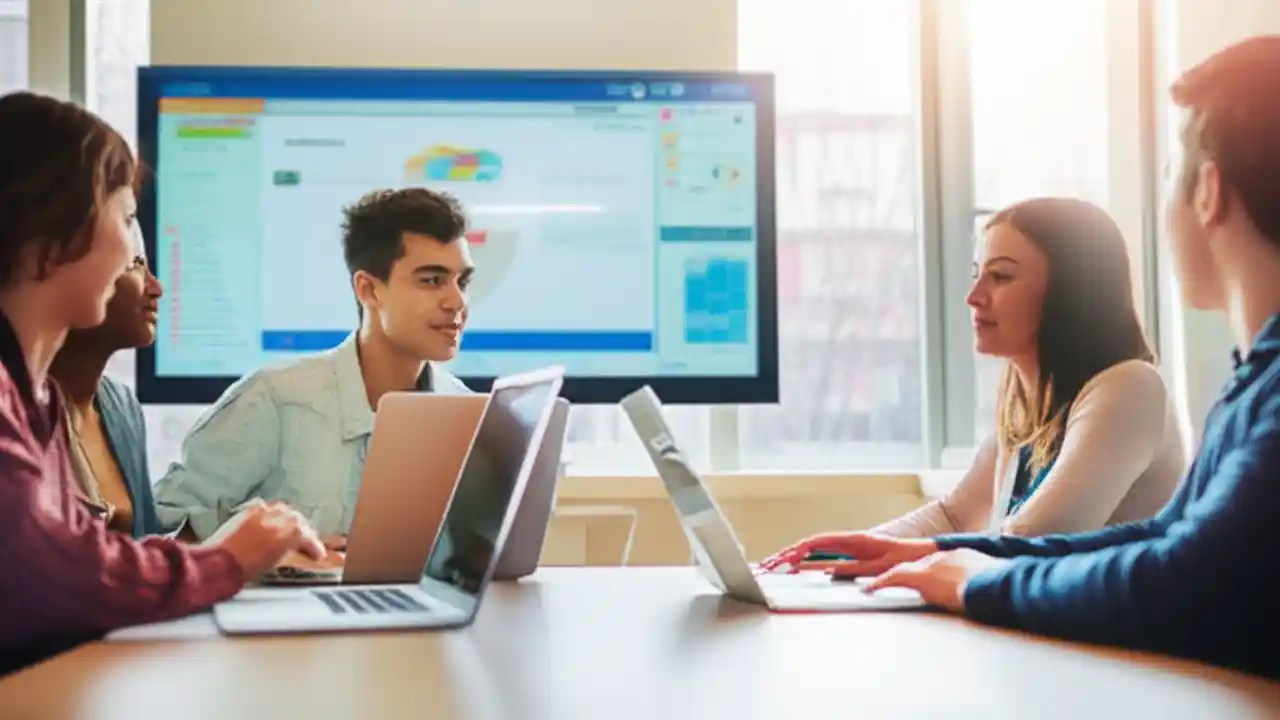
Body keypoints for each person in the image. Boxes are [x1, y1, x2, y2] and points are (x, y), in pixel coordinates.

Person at [762, 35, 1280, 679]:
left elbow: (1186, 577)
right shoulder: (1255, 381)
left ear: (1208, 190)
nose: (975, 296)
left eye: (1001, 277)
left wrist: (975, 579)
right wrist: (926, 550)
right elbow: (1170, 537)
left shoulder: (1184, 389)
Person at [0, 91, 324, 673]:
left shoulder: (33, 397)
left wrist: (233, 550)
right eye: (126, 220)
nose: (135, 251)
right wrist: (228, 562)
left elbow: (77, 552)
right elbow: (58, 577)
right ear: (54, 239)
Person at [784, 198, 1185, 548]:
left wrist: (895, 559)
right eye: (978, 273)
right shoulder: (1025, 403)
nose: (974, 297)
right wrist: (840, 554)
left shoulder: (1130, 388)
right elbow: (955, 516)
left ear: (1072, 290)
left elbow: (1031, 542)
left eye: (1002, 276)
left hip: (1100, 637)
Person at [154, 188, 475, 541]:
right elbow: (163, 531)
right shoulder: (274, 399)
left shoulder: (467, 413)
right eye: (432, 280)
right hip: (278, 597)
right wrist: (267, 560)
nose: (457, 300)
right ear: (368, 290)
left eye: (463, 281)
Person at [48, 223, 166, 537]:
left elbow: (145, 552)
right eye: (134, 264)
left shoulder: (122, 408)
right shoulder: (17, 406)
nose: (156, 288)